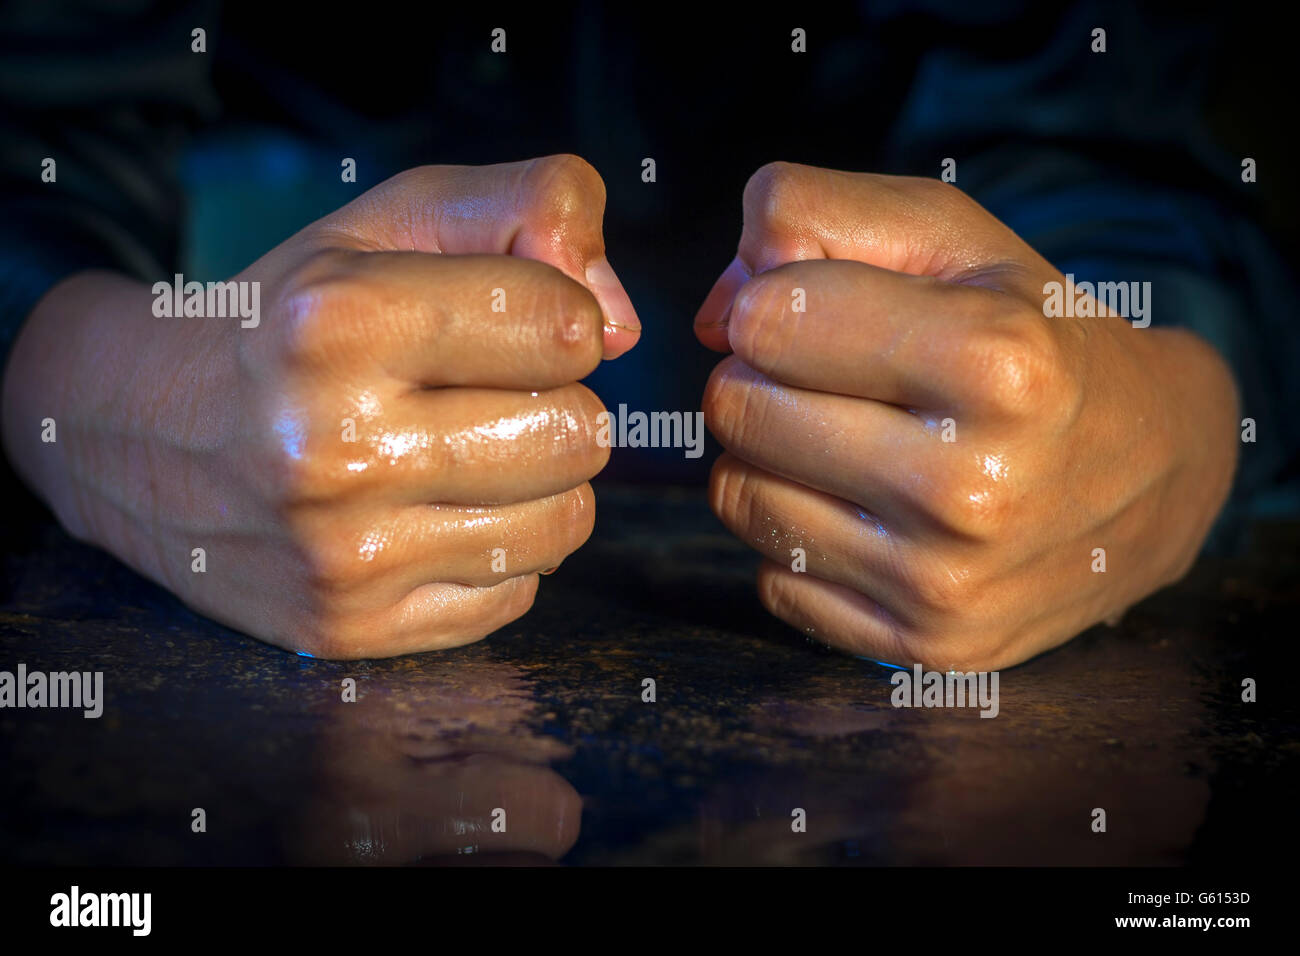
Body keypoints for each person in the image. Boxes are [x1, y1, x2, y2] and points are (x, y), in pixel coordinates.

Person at [2, 3, 1294, 668]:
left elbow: (1105, 155)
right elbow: (33, 139)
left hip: (895, 439)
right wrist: (99, 383)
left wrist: (1169, 421)